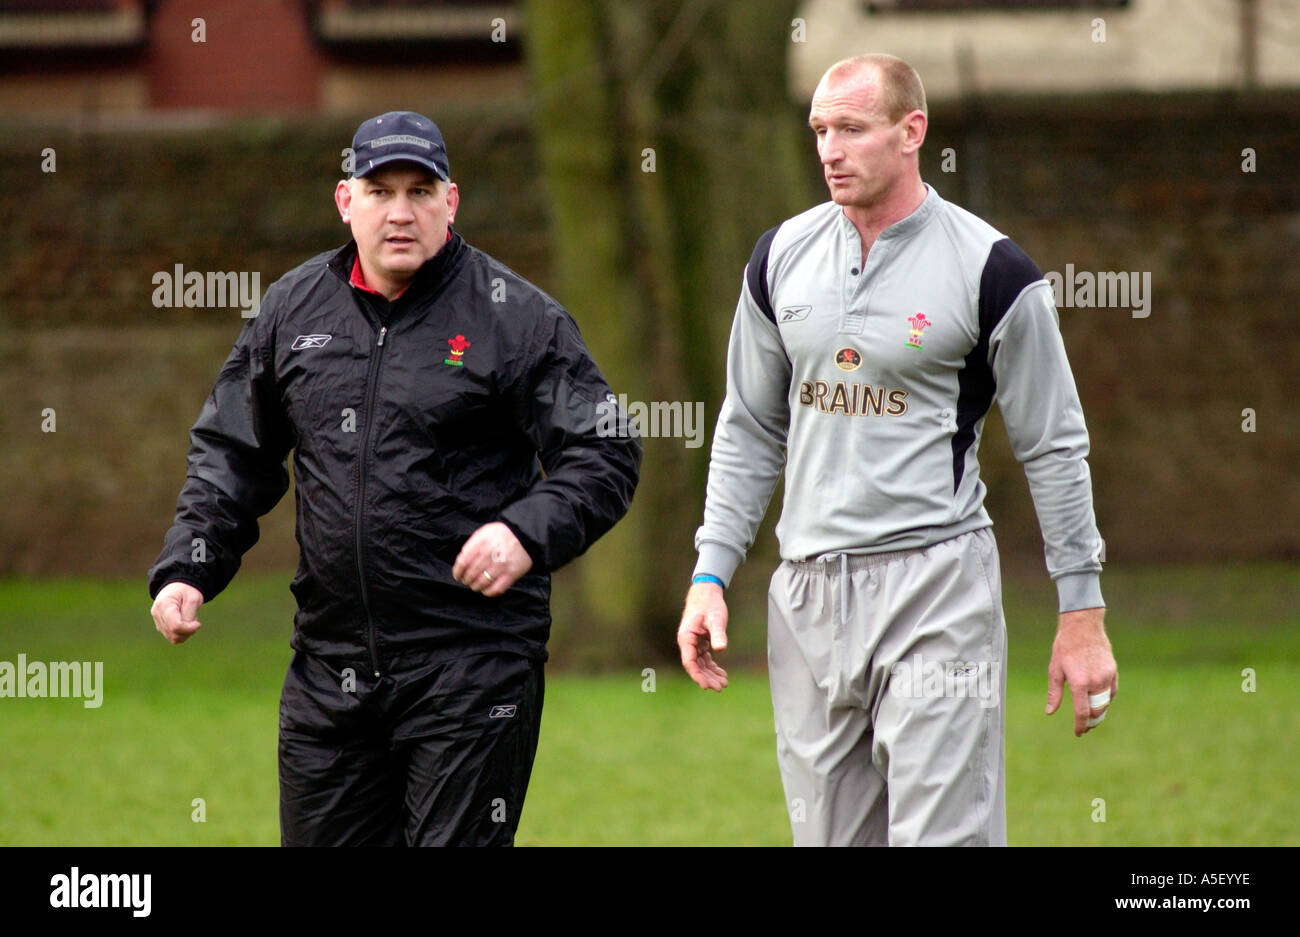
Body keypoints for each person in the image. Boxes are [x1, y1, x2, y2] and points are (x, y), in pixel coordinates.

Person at [148, 111, 641, 846]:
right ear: (346, 202)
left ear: (453, 201)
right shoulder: (291, 310)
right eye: (380, 191)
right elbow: (232, 452)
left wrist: (523, 532)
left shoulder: (515, 318)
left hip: (470, 665)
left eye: (420, 190)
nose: (401, 211)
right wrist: (190, 564)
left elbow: (605, 451)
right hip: (330, 669)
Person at [677, 55, 1117, 846]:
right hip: (807, 592)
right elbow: (748, 426)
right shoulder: (777, 259)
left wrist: (1081, 610)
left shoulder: (993, 270)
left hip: (936, 585)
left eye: (850, 128)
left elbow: (1053, 443)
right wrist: (711, 571)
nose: (829, 150)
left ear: (911, 131)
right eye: (819, 130)